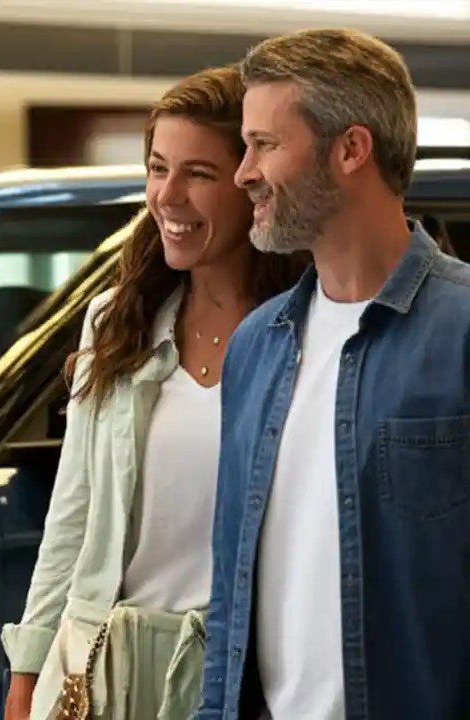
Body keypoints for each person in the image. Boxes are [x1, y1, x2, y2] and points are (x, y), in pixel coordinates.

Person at [0, 65, 305, 720]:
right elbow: (73, 512)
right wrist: (28, 668)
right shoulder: (116, 321)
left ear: (251, 182)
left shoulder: (305, 332)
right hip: (102, 671)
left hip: (241, 672)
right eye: (157, 168)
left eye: (198, 173)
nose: (167, 195)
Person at [197, 28, 470, 720]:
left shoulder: (462, 330)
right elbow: (230, 593)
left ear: (351, 149)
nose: (242, 173)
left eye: (264, 144)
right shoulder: (257, 346)